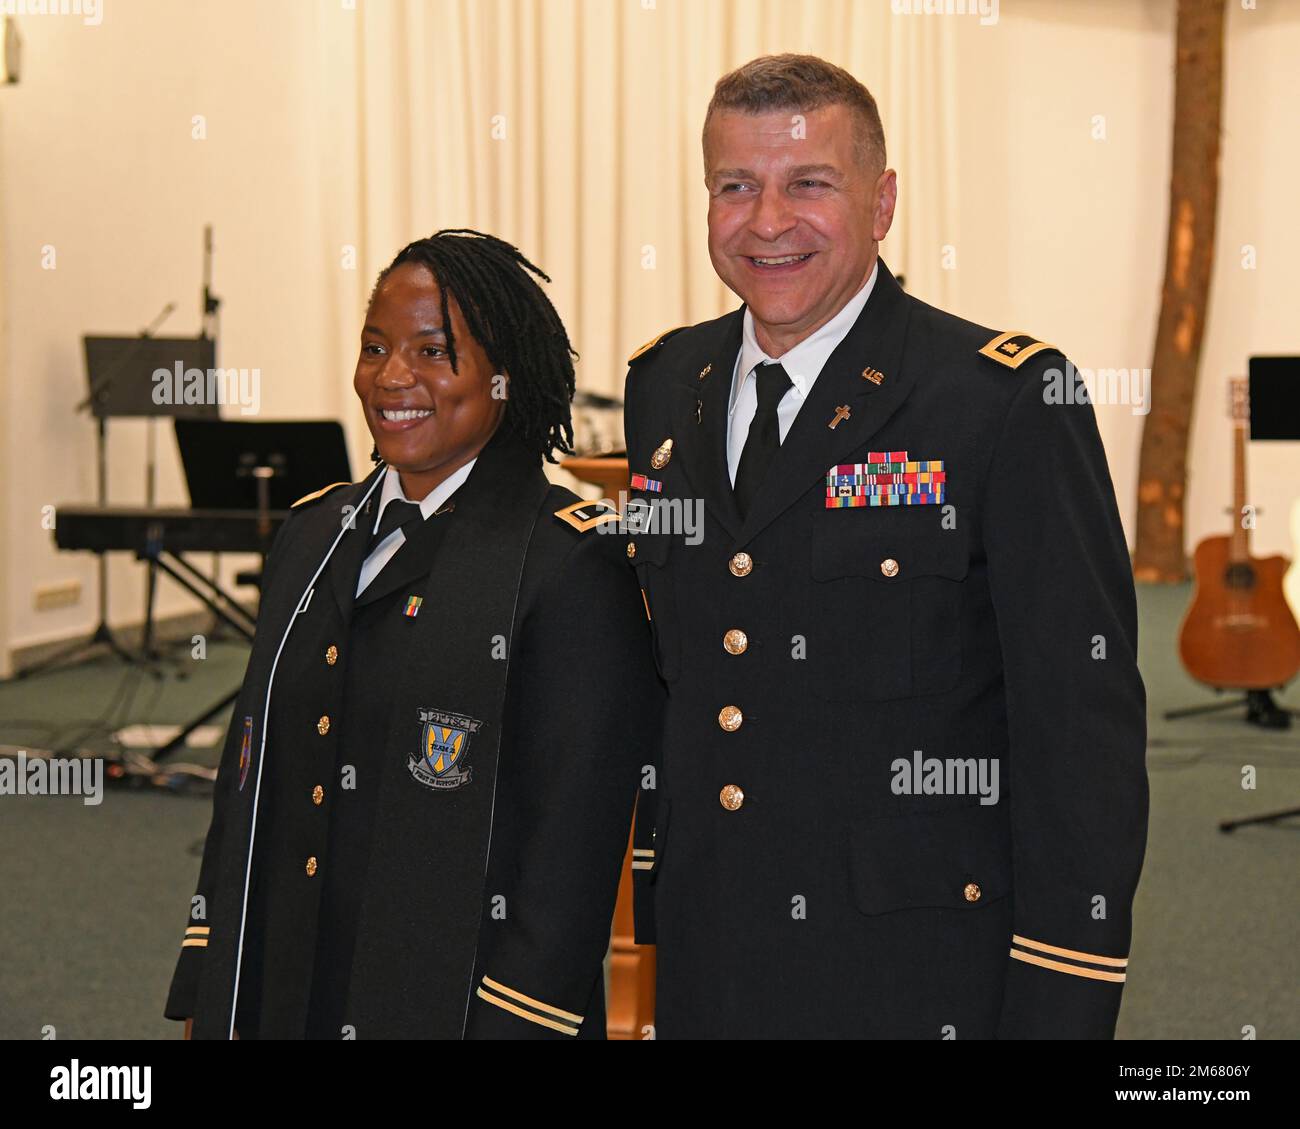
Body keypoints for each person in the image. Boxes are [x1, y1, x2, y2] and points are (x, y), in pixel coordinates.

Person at [624, 55, 1148, 1039]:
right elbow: (677, 676)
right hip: (712, 944)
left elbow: (1078, 731)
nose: (767, 222)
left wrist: (1062, 996)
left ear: (883, 200)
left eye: (808, 184)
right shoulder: (664, 383)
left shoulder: (999, 399)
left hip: (914, 965)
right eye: (735, 187)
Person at [165, 229, 658, 1039]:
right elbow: (247, 779)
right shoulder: (310, 533)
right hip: (288, 988)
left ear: (507, 375)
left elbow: (570, 852)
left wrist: (519, 1024)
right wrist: (212, 974)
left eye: (435, 350)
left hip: (459, 1010)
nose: (393, 376)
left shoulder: (570, 565)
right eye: (374, 347)